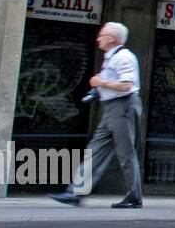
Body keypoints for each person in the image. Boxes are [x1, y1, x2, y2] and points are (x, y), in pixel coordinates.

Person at [51, 22, 143, 208]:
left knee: (126, 154)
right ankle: (75, 192)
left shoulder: (124, 57)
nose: (98, 38)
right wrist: (99, 88)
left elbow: (127, 85)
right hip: (110, 109)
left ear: (113, 38)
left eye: (102, 34)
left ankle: (134, 197)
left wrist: (102, 82)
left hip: (122, 107)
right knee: (94, 151)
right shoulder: (110, 57)